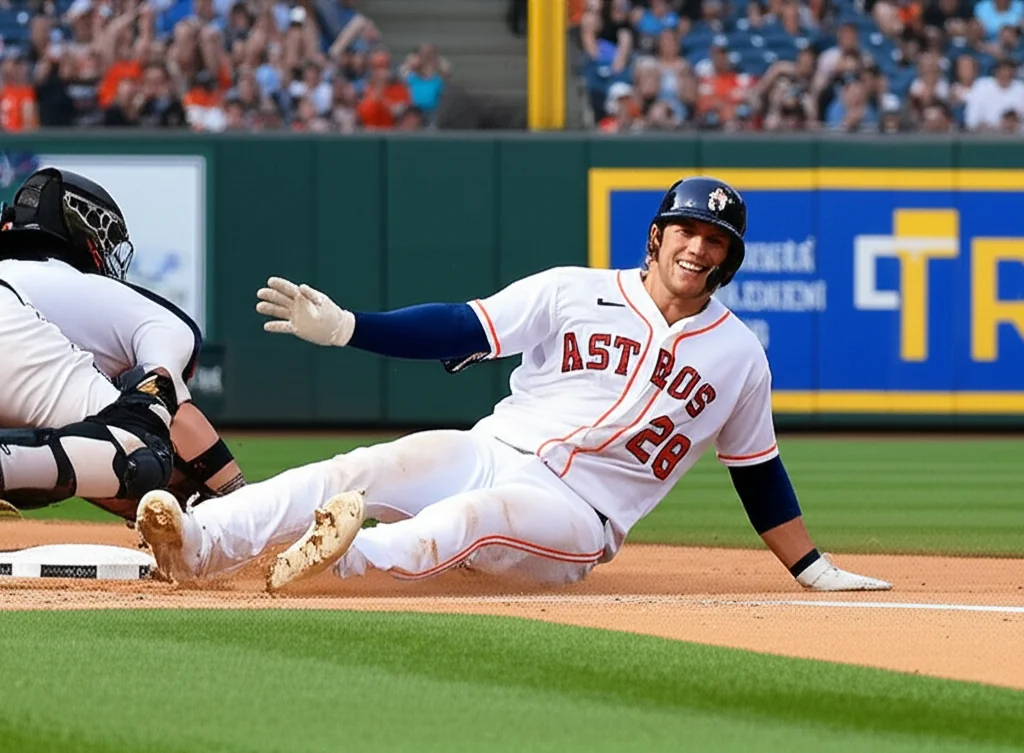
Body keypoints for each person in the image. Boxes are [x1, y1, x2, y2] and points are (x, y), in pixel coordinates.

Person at [135, 177, 892, 594]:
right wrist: (349, 328)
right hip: (492, 444)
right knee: (356, 468)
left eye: (717, 240)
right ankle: (199, 542)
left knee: (473, 516)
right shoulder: (572, 289)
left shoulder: (737, 356)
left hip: (577, 512)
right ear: (658, 234)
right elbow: (463, 326)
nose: (699, 246)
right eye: (688, 230)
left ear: (728, 260)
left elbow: (758, 470)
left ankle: (335, 559)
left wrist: (811, 565)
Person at [0, 167, 241, 520]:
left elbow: (89, 466)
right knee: (141, 449)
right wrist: (240, 506)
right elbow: (169, 406)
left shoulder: (26, 279)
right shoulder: (100, 291)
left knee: (79, 450)